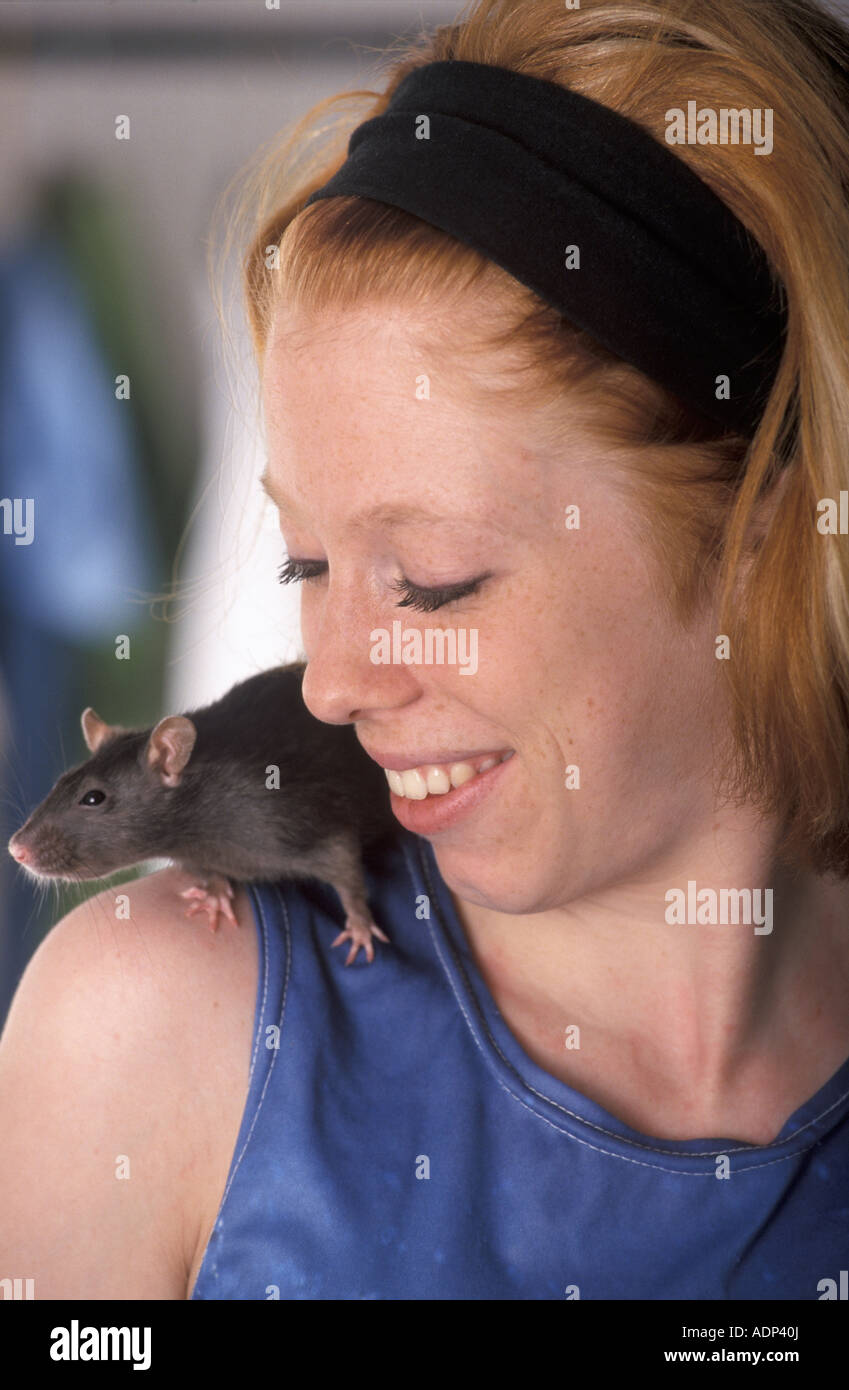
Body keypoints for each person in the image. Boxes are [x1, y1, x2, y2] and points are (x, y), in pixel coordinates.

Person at [3, 0, 849, 1300]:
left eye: (437, 578)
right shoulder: (150, 1025)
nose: (332, 683)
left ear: (760, 530)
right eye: (307, 567)